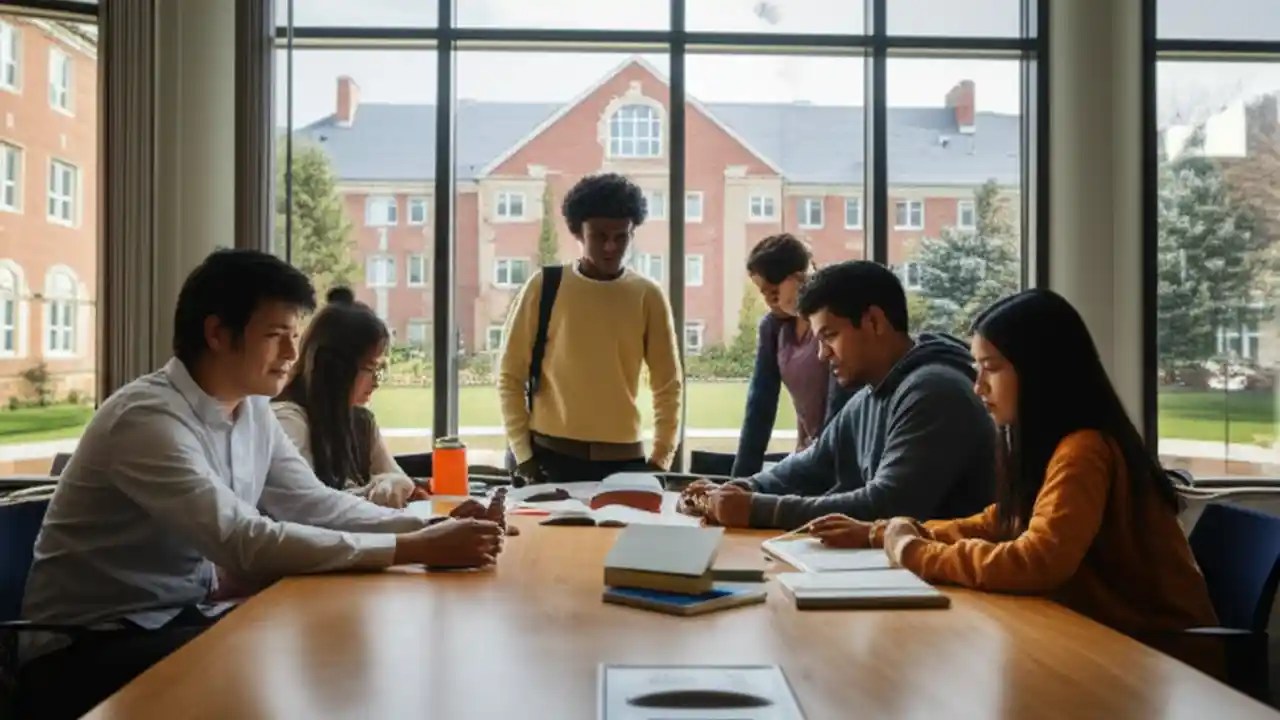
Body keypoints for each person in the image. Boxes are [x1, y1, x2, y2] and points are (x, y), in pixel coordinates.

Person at [17, 250, 505, 720]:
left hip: (178, 617)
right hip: (84, 646)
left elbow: (312, 502)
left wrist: (430, 524)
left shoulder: (249, 409)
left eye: (295, 335)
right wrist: (414, 545)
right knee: (285, 660)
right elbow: (242, 541)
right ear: (217, 333)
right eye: (276, 335)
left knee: (317, 647)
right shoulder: (146, 419)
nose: (293, 354)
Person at [807, 289, 1217, 637]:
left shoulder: (1085, 450)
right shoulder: (1057, 444)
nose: (978, 386)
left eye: (992, 369)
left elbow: (1036, 562)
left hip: (1160, 657)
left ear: (1040, 372)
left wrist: (916, 553)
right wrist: (883, 534)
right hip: (1104, 637)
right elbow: (1001, 521)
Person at [681, 261, 994, 530]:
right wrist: (740, 489)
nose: (821, 354)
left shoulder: (935, 391)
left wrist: (757, 508)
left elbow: (888, 505)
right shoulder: (871, 395)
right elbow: (811, 465)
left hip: (956, 591)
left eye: (830, 336)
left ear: (874, 321)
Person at [498, 173, 682, 484]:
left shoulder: (647, 295)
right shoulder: (545, 286)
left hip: (626, 461)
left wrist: (660, 460)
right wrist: (524, 457)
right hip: (549, 458)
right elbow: (510, 376)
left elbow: (668, 386)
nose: (611, 247)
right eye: (599, 236)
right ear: (579, 232)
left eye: (621, 236)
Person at [273, 287, 417, 509]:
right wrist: (373, 490)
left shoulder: (361, 421)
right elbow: (305, 505)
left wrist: (390, 482)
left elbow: (401, 479)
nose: (376, 382)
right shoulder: (288, 420)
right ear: (337, 369)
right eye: (369, 368)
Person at [733, 234, 855, 477]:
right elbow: (760, 405)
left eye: (775, 291)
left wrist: (820, 469)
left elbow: (839, 405)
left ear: (799, 278)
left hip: (841, 460)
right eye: (763, 293)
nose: (769, 301)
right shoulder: (773, 328)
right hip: (806, 454)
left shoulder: (831, 321)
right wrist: (739, 481)